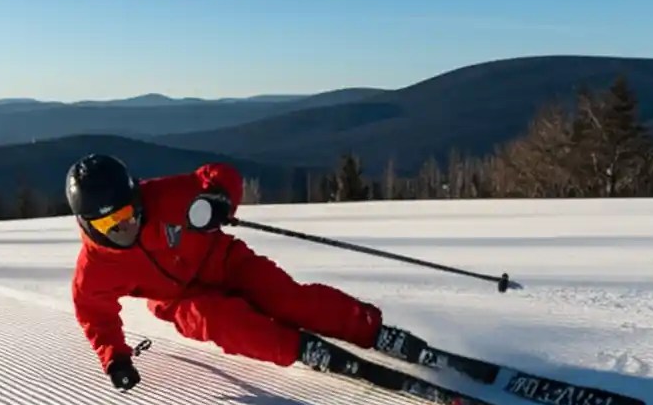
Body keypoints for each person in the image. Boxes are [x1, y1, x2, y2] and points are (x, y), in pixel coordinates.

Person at [66, 153, 412, 390]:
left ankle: (371, 329)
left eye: (127, 213)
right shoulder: (94, 269)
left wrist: (221, 199)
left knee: (287, 299)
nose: (124, 225)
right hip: (178, 300)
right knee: (222, 321)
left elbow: (217, 175)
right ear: (87, 222)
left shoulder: (164, 196)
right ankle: (301, 348)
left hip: (225, 261)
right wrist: (115, 358)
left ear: (136, 197)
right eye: (109, 222)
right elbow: (96, 316)